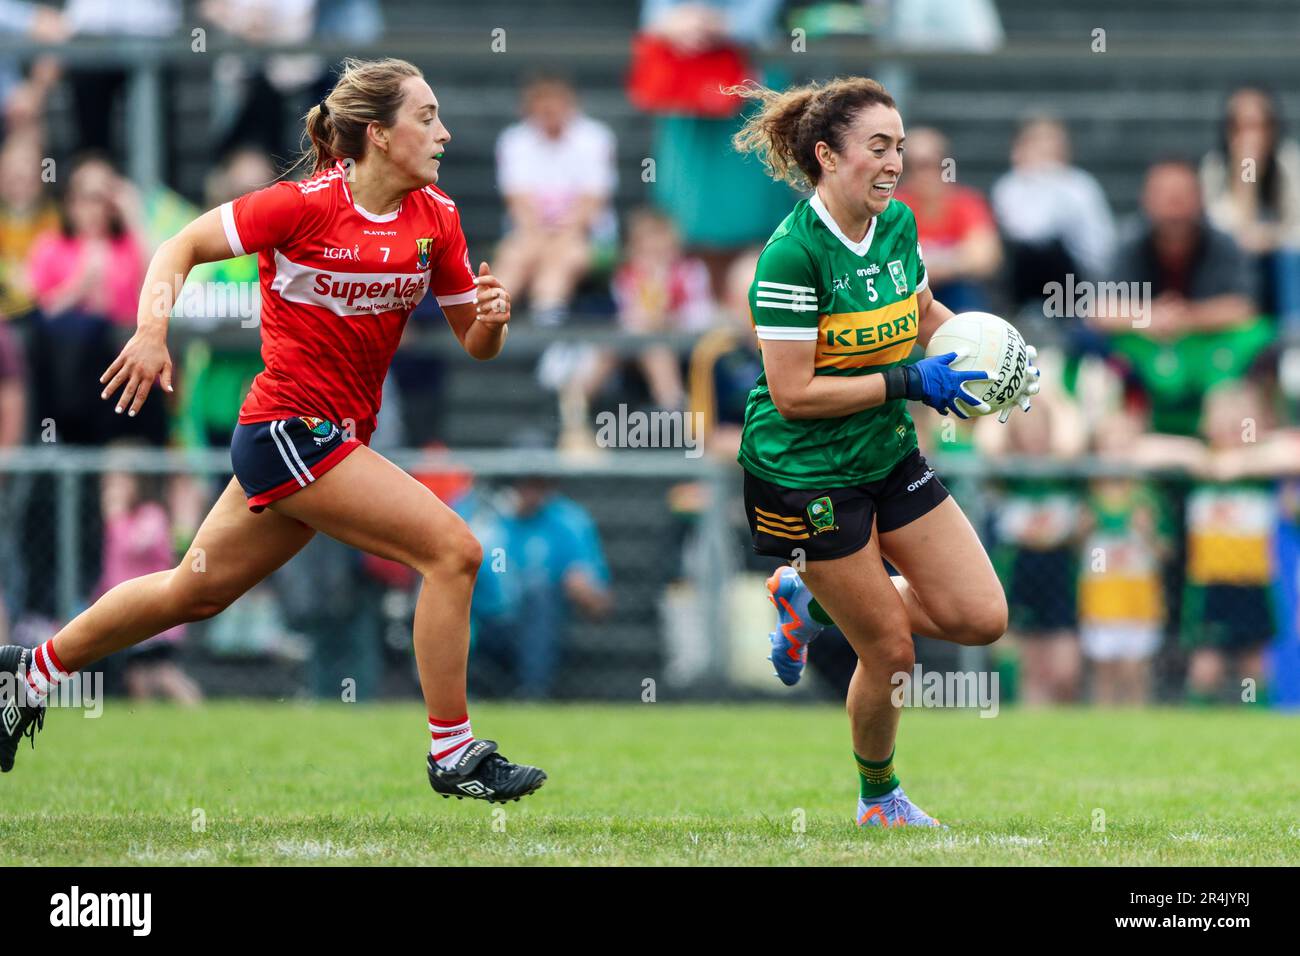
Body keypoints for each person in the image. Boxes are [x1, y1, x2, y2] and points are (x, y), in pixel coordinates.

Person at [0, 57, 546, 803]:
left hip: (328, 440)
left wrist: (490, 322)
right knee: (455, 551)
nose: (444, 132)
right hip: (289, 429)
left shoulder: (437, 219)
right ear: (380, 136)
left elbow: (474, 345)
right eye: (427, 117)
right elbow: (178, 246)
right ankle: (452, 753)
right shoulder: (302, 204)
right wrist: (153, 330)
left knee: (191, 594)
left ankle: (28, 674)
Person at [727, 77, 1039, 827]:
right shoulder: (792, 255)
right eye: (879, 146)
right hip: (803, 476)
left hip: (887, 454)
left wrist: (990, 354)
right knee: (894, 653)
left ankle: (811, 603)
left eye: (899, 145)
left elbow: (924, 311)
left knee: (980, 616)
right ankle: (879, 800)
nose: (895, 161)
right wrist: (910, 381)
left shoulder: (896, 225)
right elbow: (794, 392)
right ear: (828, 156)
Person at [492, 75, 617, 327]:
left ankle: (546, 327)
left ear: (570, 104)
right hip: (530, 233)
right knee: (513, 262)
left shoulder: (595, 137)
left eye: (556, 105)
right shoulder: (514, 140)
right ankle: (486, 322)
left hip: (586, 236)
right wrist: (539, 236)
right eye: (543, 106)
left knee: (559, 264)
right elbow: (518, 201)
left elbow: (592, 202)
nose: (550, 113)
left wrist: (562, 236)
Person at [991, 116, 1114, 316]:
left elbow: (1099, 245)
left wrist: (1048, 179)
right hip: (1023, 274)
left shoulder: (1082, 186)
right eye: (1038, 142)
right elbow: (1024, 230)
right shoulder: (1008, 186)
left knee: (1051, 248)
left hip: (1075, 274)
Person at [1199, 87, 1300, 318]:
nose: (1251, 136)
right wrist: (1247, 173)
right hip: (1239, 258)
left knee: (1289, 258)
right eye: (1241, 126)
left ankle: (1295, 335)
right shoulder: (1216, 168)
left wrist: (1271, 238)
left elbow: (1296, 227)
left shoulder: (1289, 162)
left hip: (1281, 256)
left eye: (1258, 125)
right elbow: (1223, 230)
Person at [892, 127, 1001, 314]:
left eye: (930, 164)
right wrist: (954, 258)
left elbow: (984, 258)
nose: (924, 175)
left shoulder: (966, 203)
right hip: (905, 295)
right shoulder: (893, 208)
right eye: (913, 166)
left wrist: (927, 266)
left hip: (956, 292)